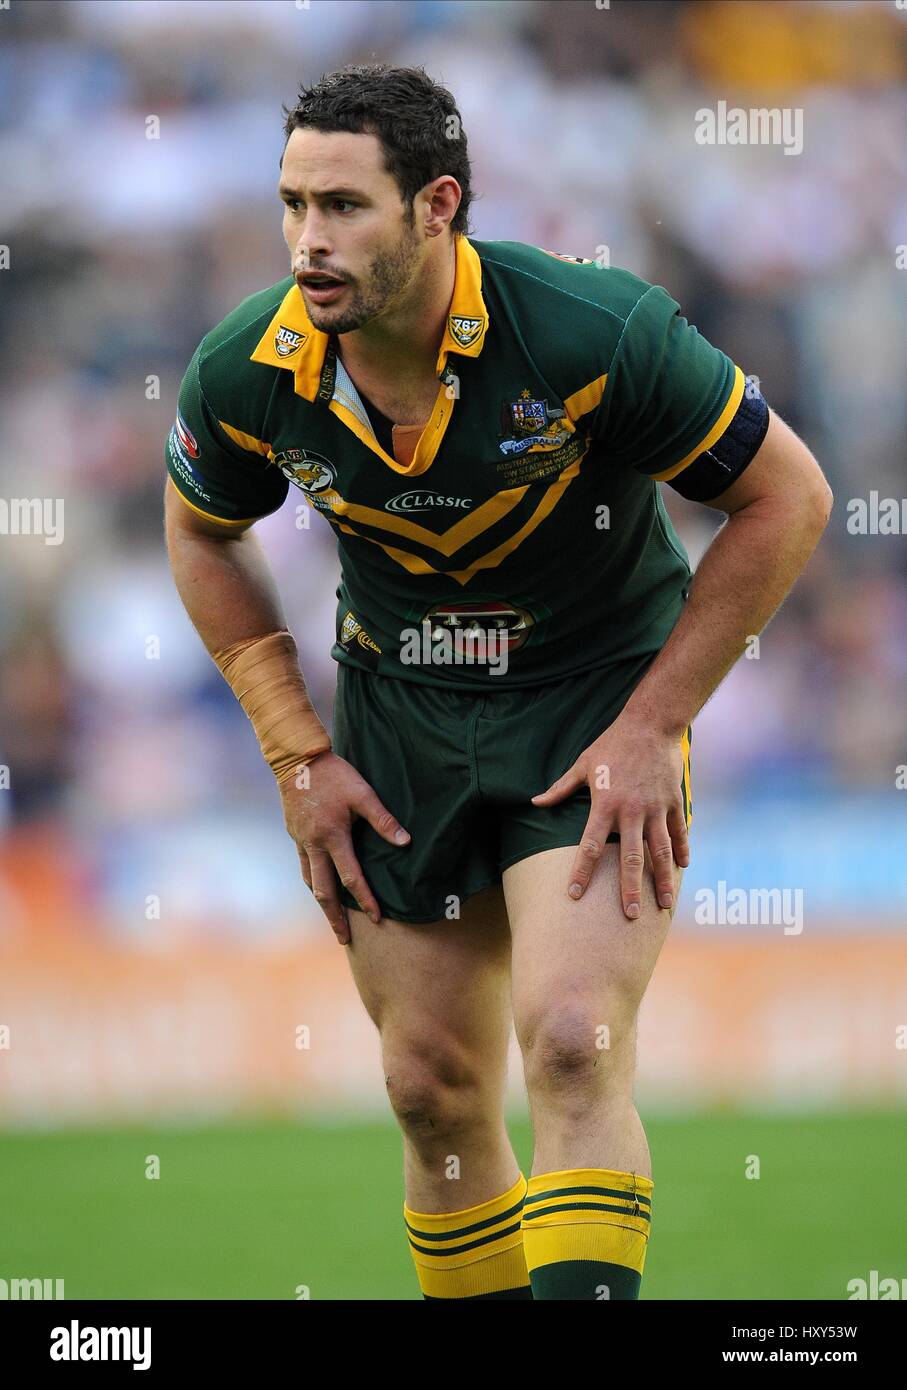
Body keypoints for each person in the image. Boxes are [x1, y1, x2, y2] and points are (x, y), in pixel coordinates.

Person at [164, 64, 832, 1300]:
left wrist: (656, 723)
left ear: (436, 206)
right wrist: (297, 753)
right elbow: (201, 532)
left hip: (591, 709)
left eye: (345, 205)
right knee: (429, 1086)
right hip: (395, 721)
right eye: (292, 202)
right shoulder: (246, 366)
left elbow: (786, 495)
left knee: (574, 1045)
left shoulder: (588, 330)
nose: (309, 239)